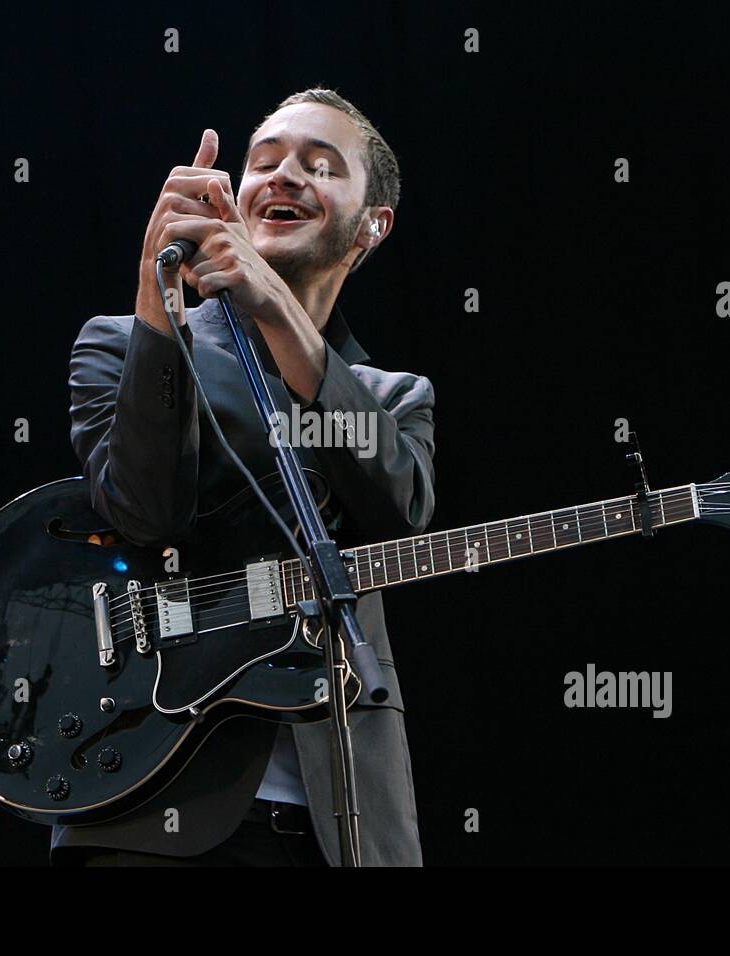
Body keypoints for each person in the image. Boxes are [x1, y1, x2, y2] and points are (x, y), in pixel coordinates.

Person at [52, 89, 434, 866]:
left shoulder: (395, 398)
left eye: (319, 166)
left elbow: (397, 516)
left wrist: (274, 309)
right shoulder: (125, 342)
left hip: (341, 826)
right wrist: (158, 301)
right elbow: (145, 511)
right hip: (155, 807)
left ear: (372, 226)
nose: (284, 176)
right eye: (264, 163)